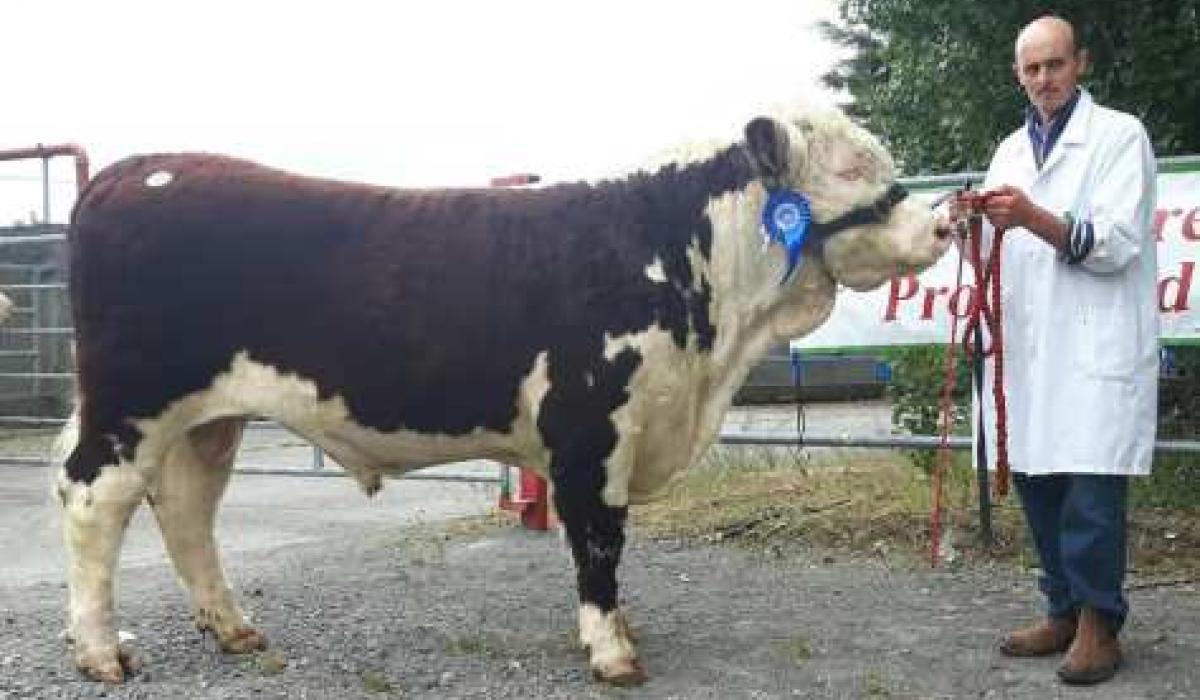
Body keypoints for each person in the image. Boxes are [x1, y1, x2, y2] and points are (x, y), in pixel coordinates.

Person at [956, 15, 1159, 686]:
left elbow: (1119, 242)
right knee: (1039, 480)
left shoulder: (1119, 136)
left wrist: (1033, 218)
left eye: (1055, 64)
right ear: (1017, 74)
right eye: (1032, 68)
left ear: (1081, 64)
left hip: (1093, 340)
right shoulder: (1009, 151)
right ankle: (1063, 608)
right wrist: (967, 227)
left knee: (1091, 490)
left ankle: (1102, 622)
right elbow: (994, 250)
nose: (1043, 78)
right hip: (1031, 348)